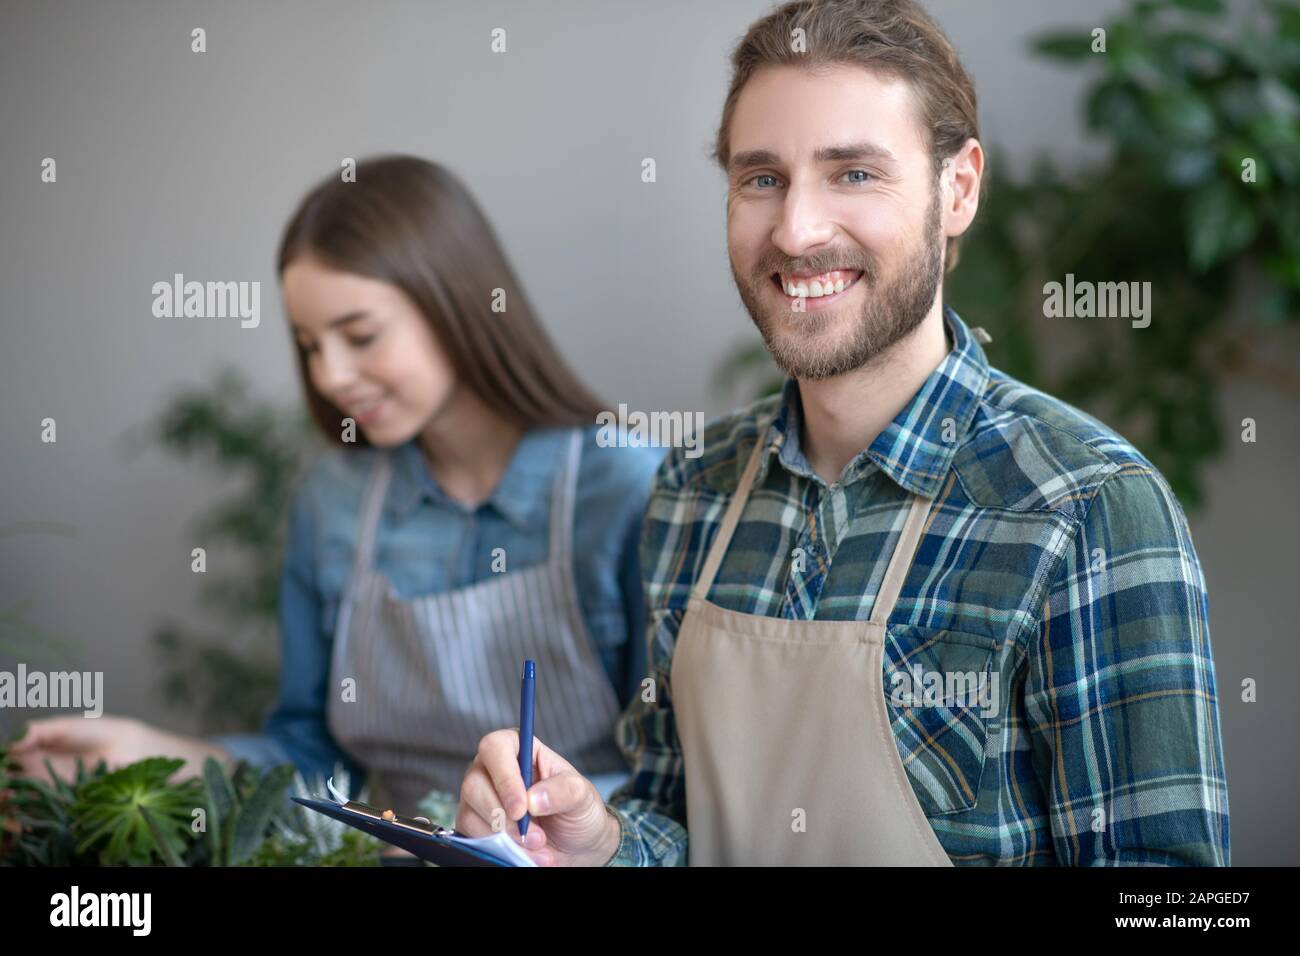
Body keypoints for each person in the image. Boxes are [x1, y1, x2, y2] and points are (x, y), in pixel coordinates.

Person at [455, 0, 1230, 866]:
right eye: (761, 179)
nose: (796, 230)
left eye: (853, 173)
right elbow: (680, 819)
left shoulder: (1086, 508)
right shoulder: (692, 488)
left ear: (958, 189)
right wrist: (600, 844)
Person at [12, 155, 663, 818]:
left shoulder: (625, 488)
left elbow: (672, 783)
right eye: (308, 345)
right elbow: (313, 762)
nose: (330, 375)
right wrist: (158, 755)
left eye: (359, 335)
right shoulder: (333, 499)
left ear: (458, 305)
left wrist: (559, 825)